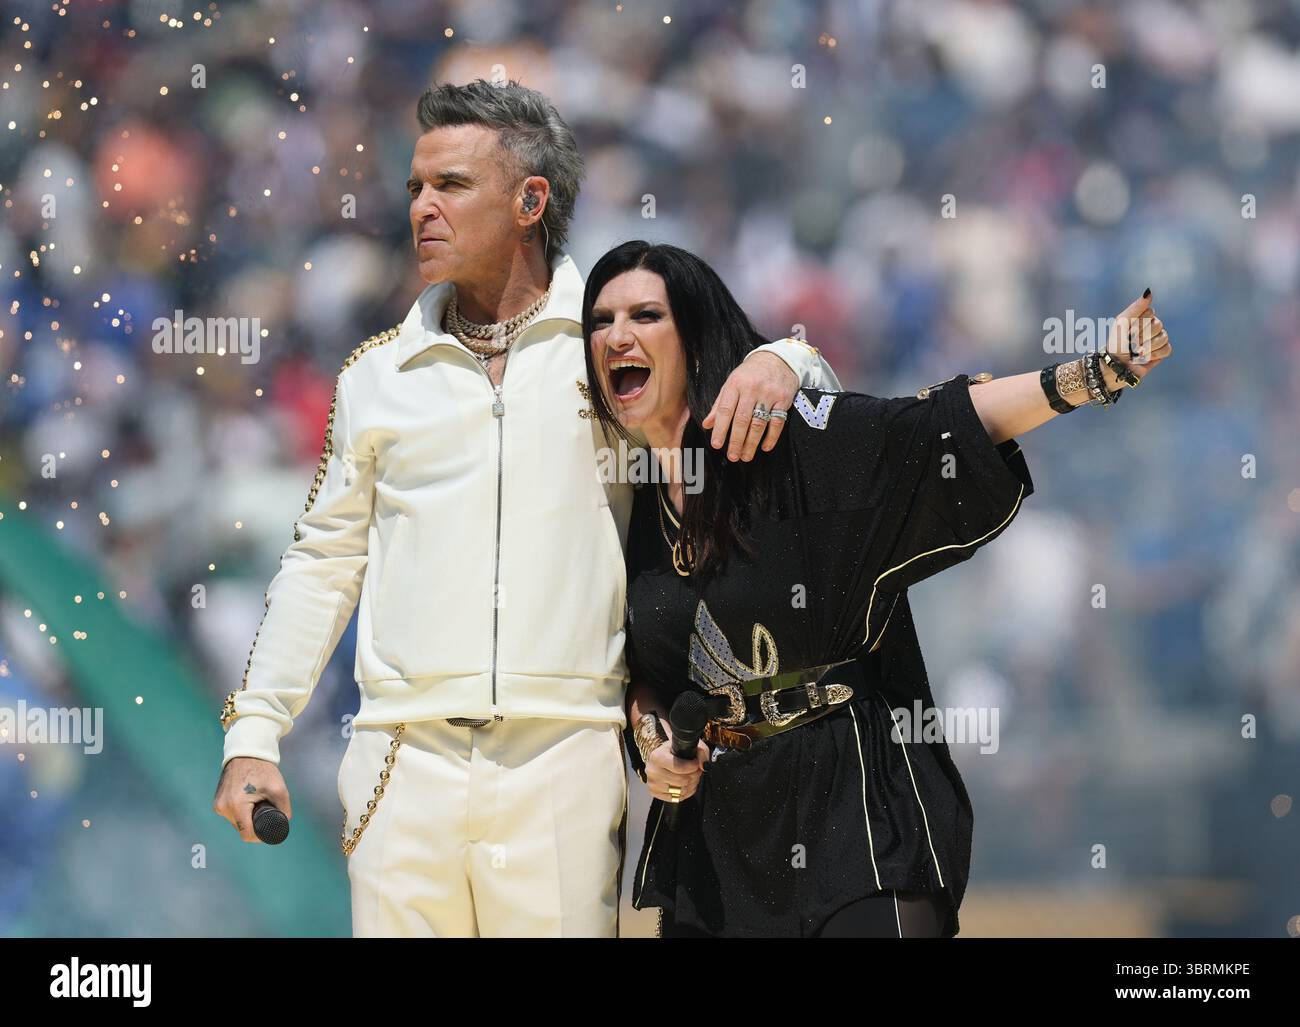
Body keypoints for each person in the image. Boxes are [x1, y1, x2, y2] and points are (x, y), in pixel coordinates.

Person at [209, 79, 838, 938]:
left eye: (451, 185)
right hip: (401, 759)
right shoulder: (375, 375)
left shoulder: (618, 341)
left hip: (566, 758)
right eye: (415, 188)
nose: (422, 206)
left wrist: (788, 359)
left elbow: (803, 398)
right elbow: (322, 563)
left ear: (530, 201)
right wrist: (254, 731)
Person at [582, 240, 1172, 937]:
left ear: (696, 335)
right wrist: (653, 742)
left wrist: (1097, 371)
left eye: (646, 314)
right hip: (721, 848)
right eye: (601, 319)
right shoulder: (621, 506)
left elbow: (938, 424)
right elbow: (641, 674)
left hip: (854, 816)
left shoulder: (784, 447)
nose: (618, 334)